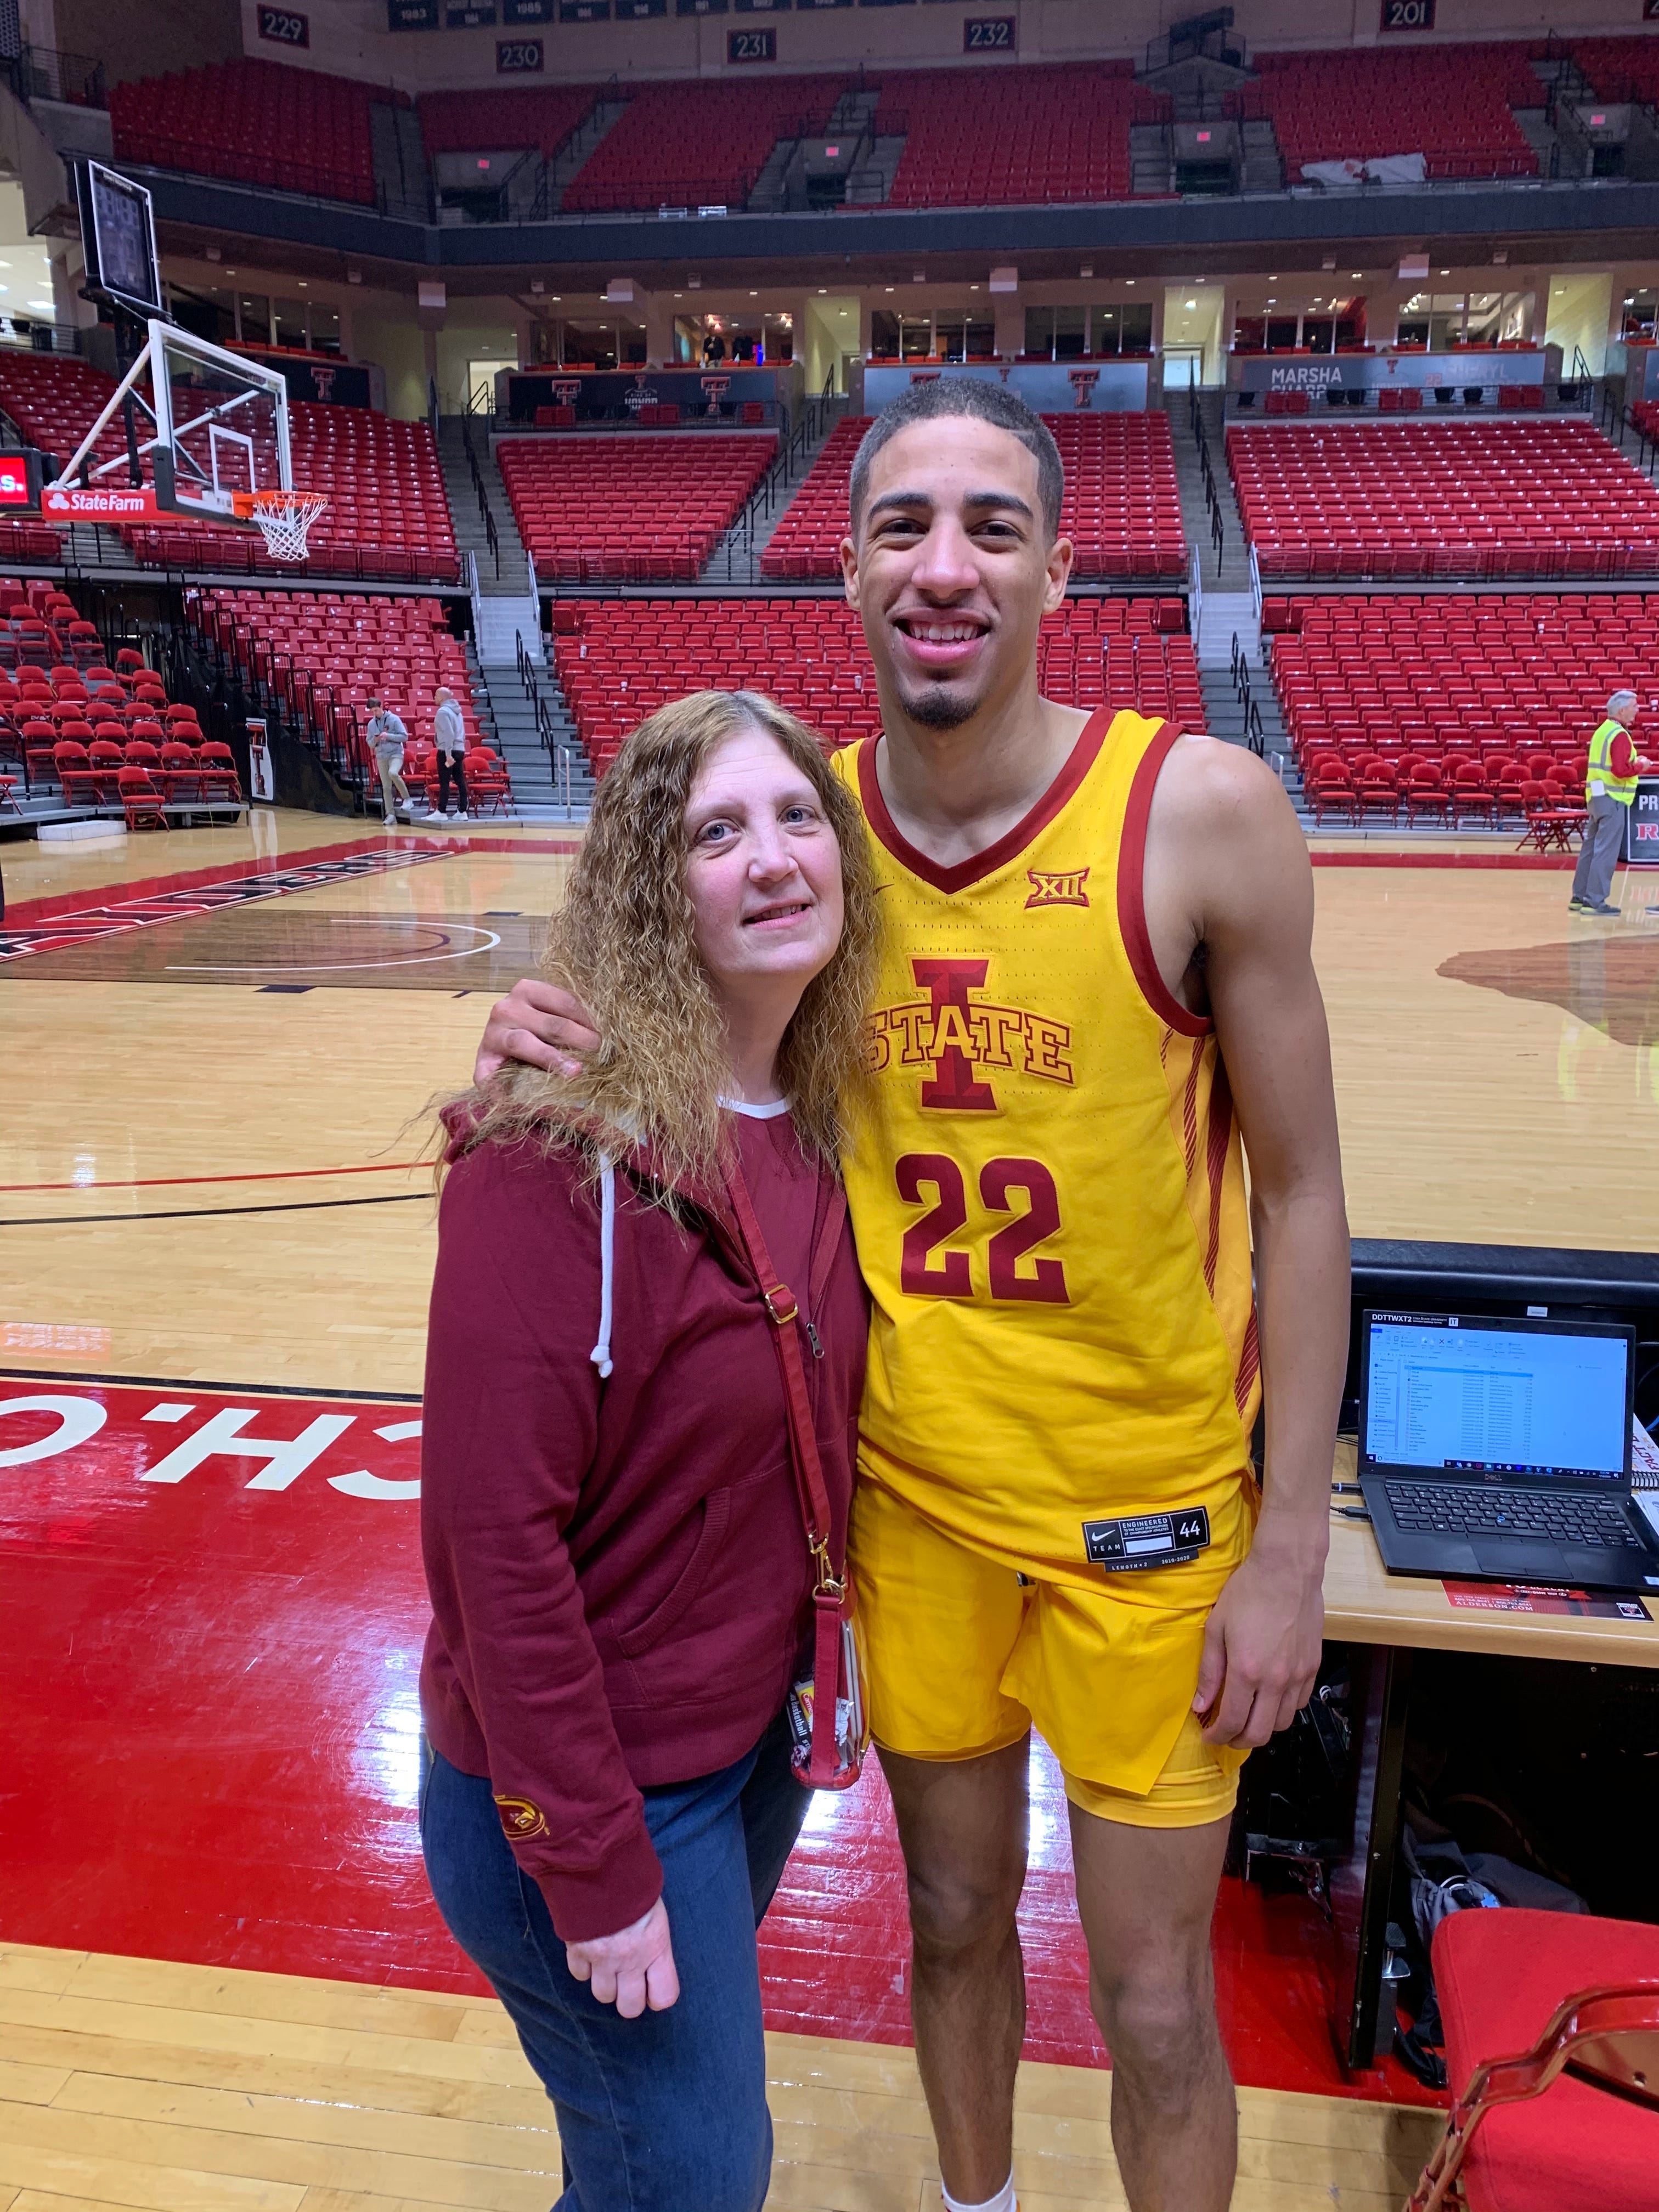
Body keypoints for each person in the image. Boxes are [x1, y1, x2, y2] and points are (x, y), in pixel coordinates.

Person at [476, 380, 1349, 2212]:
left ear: (1059, 571)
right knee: (949, 1914)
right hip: (911, 1510)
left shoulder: (1200, 811)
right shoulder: (809, 842)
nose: (944, 565)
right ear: (850, 574)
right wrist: (535, 1038)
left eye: (990, 527)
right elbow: (664, 1040)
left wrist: (1291, 1551)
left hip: (1148, 1521)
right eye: (902, 526)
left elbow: (1300, 1189)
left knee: (1155, 2002)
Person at [419, 688, 879, 2212]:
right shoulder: (548, 1154)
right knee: (692, 2180)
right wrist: (592, 1861)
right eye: (715, 832)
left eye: (799, 816)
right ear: (647, 883)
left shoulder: (819, 1111)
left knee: (652, 2171)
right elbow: (492, 1547)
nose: (773, 859)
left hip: (743, 1750)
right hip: (594, 1790)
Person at [1570, 688, 1653, 917]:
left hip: (1596, 797)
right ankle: (1595, 901)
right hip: (1613, 798)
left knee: (1590, 849)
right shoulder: (1620, 735)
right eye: (1635, 706)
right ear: (1622, 710)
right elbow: (1620, 770)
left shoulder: (1602, 731)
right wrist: (1641, 765)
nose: (1638, 709)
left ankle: (1579, 897)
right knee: (1606, 852)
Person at [364, 693, 410, 826]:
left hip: (396, 753)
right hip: (381, 756)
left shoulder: (394, 719)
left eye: (376, 710)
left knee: (393, 773)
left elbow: (404, 737)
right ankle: (390, 815)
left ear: (381, 707)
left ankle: (407, 799)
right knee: (386, 787)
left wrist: (388, 736)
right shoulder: (371, 724)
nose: (375, 713)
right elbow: (370, 743)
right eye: (372, 711)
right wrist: (376, 740)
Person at [426, 685, 469, 822]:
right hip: (460, 749)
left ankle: (442, 811)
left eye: (436, 695)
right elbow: (462, 733)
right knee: (460, 781)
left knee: (444, 782)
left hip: (447, 750)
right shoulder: (458, 711)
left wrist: (448, 754)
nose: (434, 697)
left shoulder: (443, 712)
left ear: (442, 697)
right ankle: (462, 811)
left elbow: (449, 734)